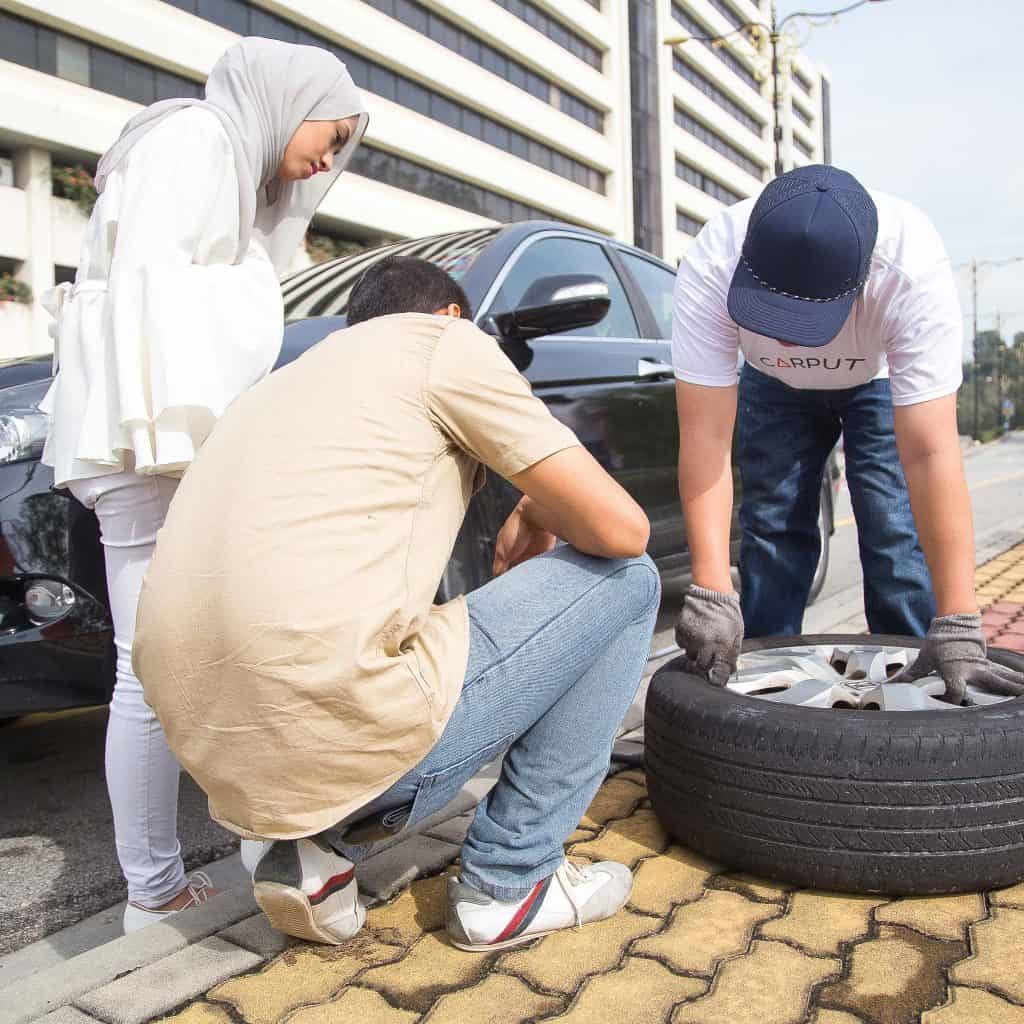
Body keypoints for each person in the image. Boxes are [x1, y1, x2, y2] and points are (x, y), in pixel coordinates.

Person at [133, 257, 660, 949]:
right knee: (632, 580)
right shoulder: (444, 343)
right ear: (449, 316)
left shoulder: (278, 386)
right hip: (334, 722)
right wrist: (535, 503)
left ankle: (308, 841)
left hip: (224, 768)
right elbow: (622, 530)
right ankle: (512, 880)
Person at [40, 38, 368, 932]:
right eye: (329, 136)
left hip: (149, 445)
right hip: (152, 450)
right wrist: (253, 286)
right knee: (152, 675)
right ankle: (155, 893)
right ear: (285, 98)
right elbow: (154, 301)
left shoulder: (212, 155)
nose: (325, 162)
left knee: (180, 665)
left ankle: (237, 857)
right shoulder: (199, 141)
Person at [671, 163, 1024, 702]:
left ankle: (918, 680)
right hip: (770, 386)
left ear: (864, 280)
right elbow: (704, 439)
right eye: (771, 314)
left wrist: (958, 619)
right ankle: (758, 681)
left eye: (802, 322)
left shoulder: (910, 267)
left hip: (877, 379)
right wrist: (712, 590)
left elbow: (931, 454)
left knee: (891, 527)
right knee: (771, 527)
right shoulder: (713, 259)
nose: (787, 340)